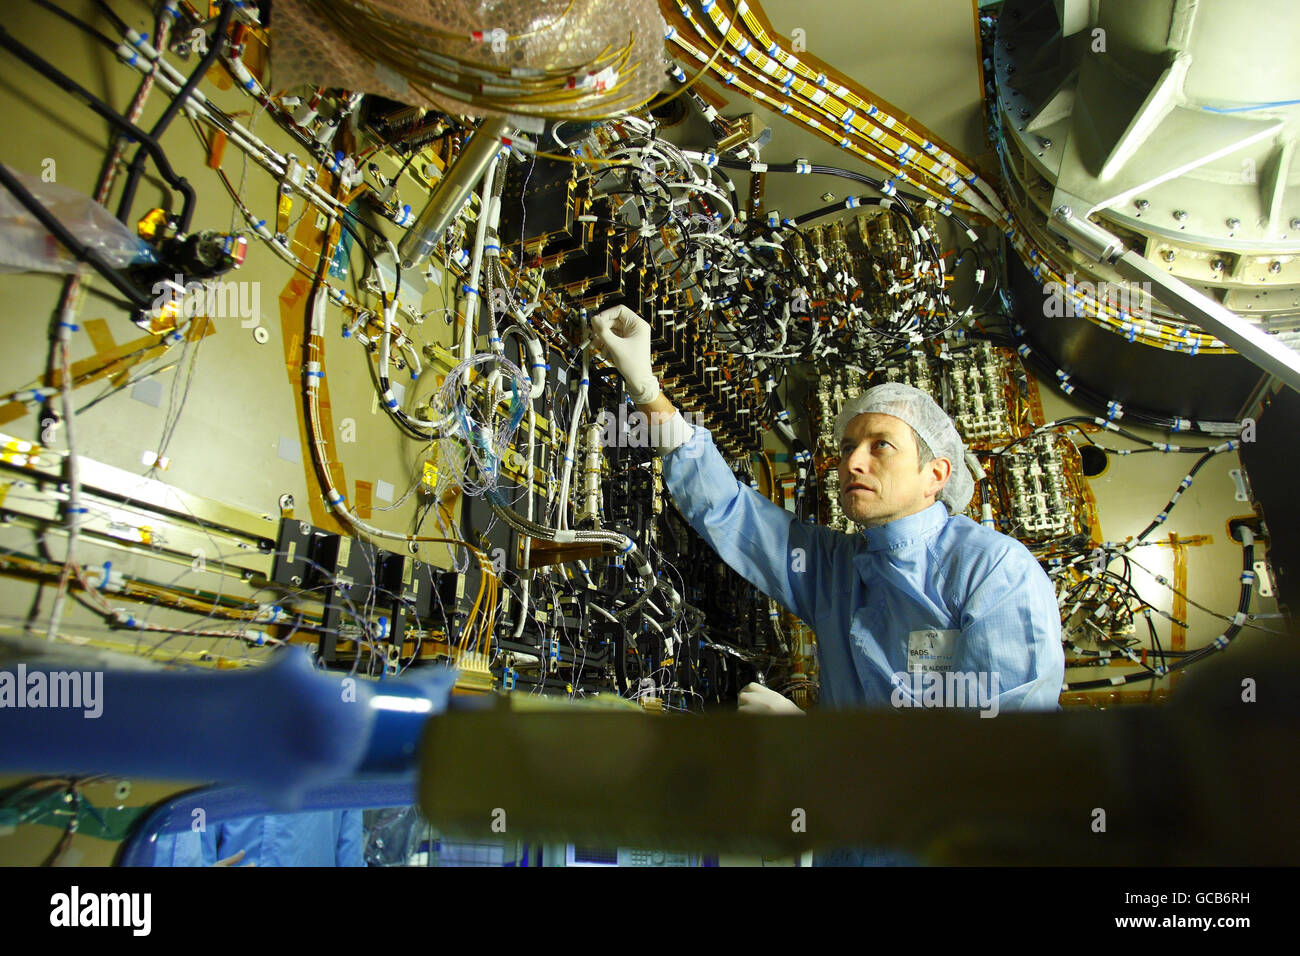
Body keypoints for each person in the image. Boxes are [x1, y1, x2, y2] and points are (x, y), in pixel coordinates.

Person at [589, 305, 1064, 716]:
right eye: (848, 446)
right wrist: (647, 388)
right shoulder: (833, 567)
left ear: (936, 475)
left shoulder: (995, 571)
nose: (853, 462)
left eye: (882, 446)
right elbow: (730, 509)